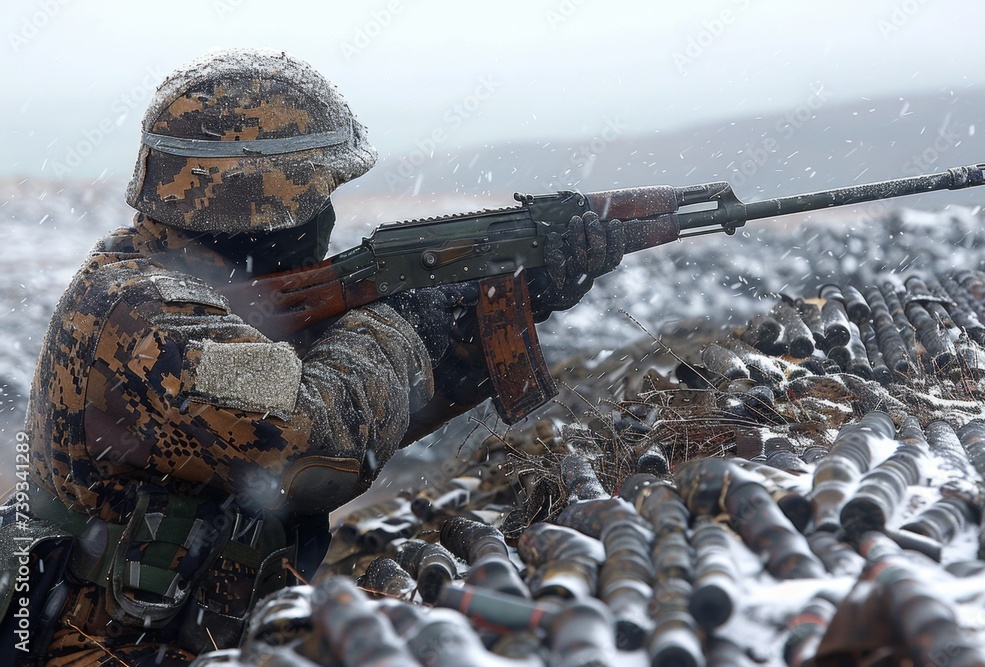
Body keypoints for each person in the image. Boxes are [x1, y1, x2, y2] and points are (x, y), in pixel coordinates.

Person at [0, 48, 623, 665]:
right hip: (105, 652)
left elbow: (377, 417)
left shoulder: (199, 289)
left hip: (180, 638)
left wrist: (496, 310)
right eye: (318, 192)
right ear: (262, 201)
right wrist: (398, 321)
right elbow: (312, 444)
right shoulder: (150, 316)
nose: (326, 213)